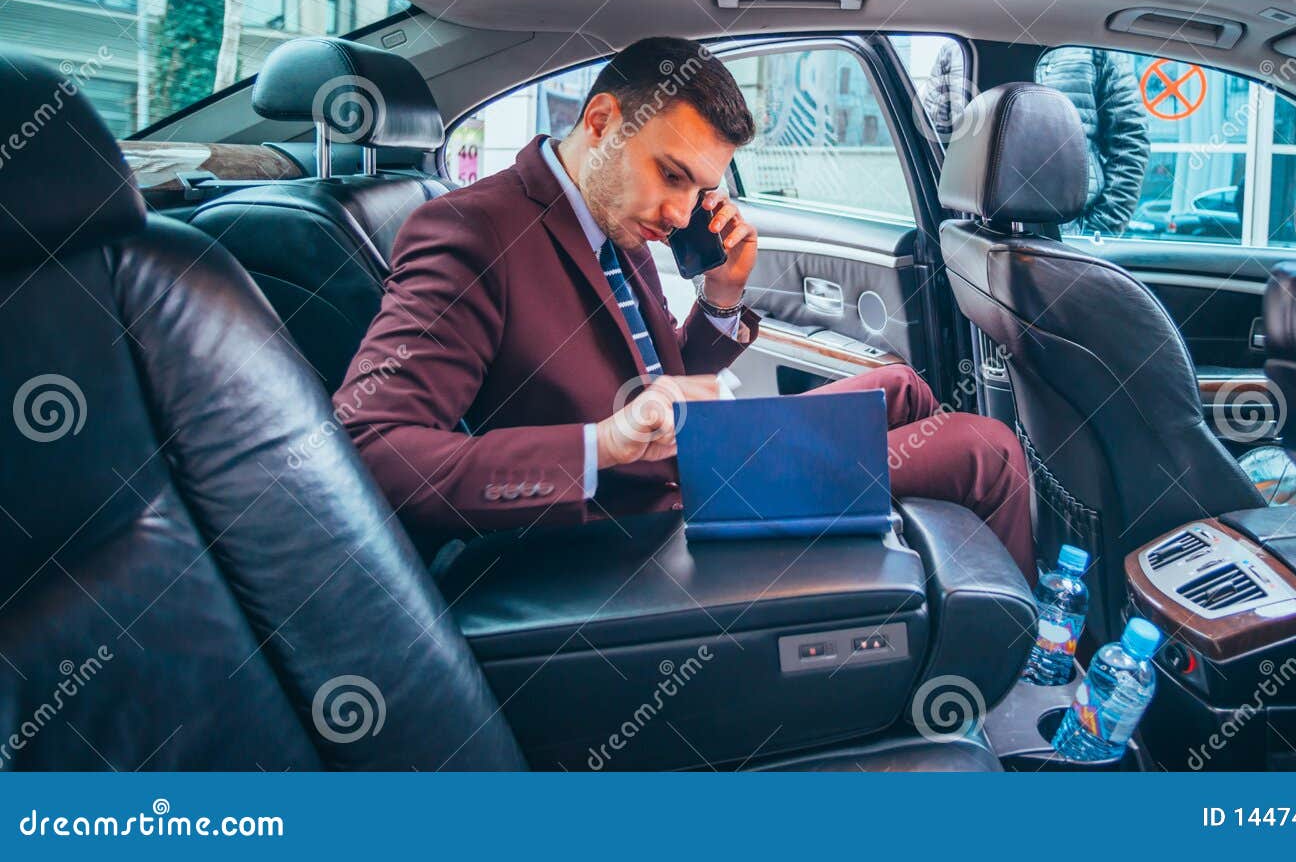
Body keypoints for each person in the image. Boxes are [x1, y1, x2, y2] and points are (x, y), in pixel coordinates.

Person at [333, 36, 1035, 577]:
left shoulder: (610, 211)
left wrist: (723, 295)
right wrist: (601, 444)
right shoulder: (473, 231)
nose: (679, 212)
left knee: (901, 385)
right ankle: (1019, 672)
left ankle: (892, 554)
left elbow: (652, 371)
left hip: (693, 456)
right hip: (637, 516)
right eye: (670, 174)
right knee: (988, 451)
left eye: (698, 189)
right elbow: (374, 450)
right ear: (602, 120)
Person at [1033, 47, 1150, 235]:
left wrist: (1099, 230)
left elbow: (1130, 143)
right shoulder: (986, 43)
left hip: (1074, 233)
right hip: (998, 230)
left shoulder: (1096, 52)